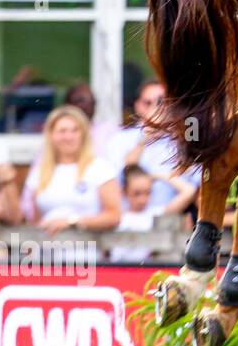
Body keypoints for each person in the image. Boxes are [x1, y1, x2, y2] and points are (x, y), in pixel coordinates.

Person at [19, 106, 121, 236]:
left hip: (86, 246)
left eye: (75, 130)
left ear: (83, 134)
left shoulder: (100, 168)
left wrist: (72, 222)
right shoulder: (39, 172)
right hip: (46, 246)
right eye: (62, 131)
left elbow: (114, 216)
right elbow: (34, 220)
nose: (69, 137)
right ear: (51, 135)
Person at [105, 79, 202, 215]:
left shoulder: (184, 137)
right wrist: (145, 138)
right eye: (148, 103)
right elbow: (117, 179)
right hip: (130, 219)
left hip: (172, 218)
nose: (156, 108)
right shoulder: (120, 139)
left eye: (162, 102)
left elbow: (196, 179)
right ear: (138, 106)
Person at [109, 163, 197, 264]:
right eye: (137, 193)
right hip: (116, 268)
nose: (142, 199)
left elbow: (189, 191)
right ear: (124, 191)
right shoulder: (117, 216)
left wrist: (159, 176)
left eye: (147, 192)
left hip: (143, 268)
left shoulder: (154, 213)